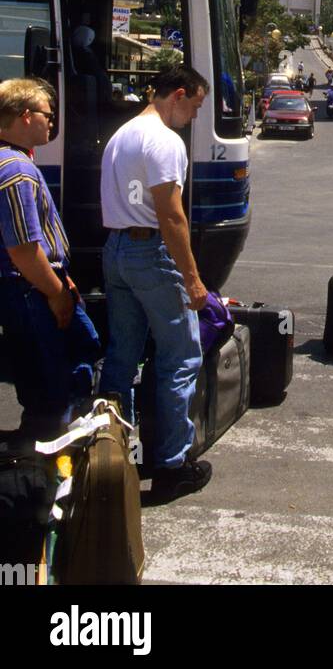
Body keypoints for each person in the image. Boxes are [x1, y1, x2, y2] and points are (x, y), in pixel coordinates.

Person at [100, 66, 211, 503]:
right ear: (178, 94)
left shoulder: (123, 133)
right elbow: (171, 215)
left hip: (116, 249)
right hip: (150, 254)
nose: (194, 116)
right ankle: (171, 465)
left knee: (122, 357)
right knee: (180, 356)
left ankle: (114, 456)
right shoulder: (165, 141)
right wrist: (193, 279)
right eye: (196, 106)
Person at [0, 79, 100, 443]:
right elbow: (23, 250)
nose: (52, 123)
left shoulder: (13, 164)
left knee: (47, 374)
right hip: (30, 291)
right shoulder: (16, 171)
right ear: (25, 117)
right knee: (53, 384)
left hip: (32, 286)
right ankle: (46, 463)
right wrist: (56, 292)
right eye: (47, 115)